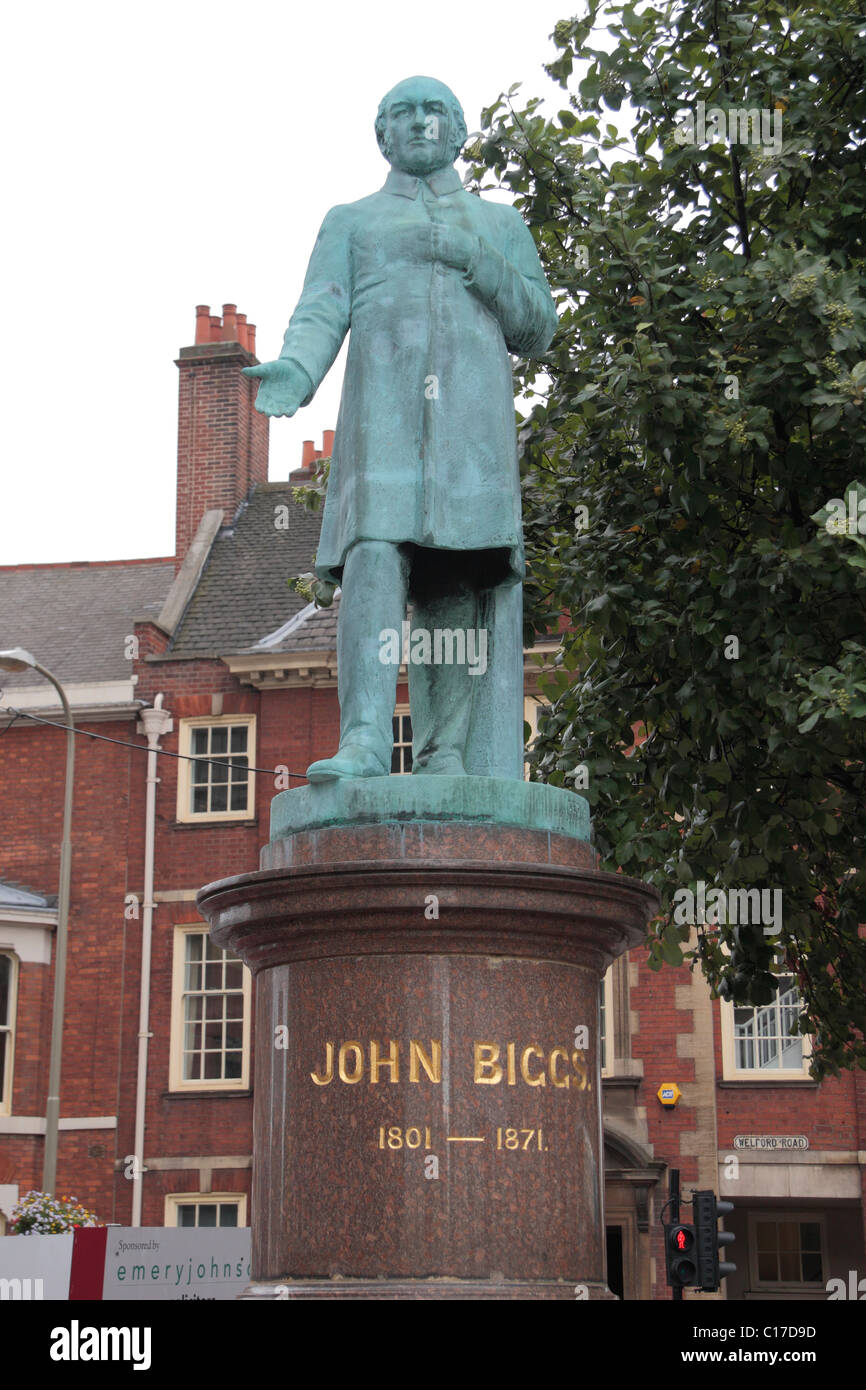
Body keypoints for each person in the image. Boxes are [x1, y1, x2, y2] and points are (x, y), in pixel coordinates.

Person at [244, 75, 557, 782]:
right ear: (382, 133)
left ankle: (445, 753)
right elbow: (322, 307)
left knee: (455, 579)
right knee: (374, 557)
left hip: (471, 437)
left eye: (435, 112)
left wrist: (477, 261)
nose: (420, 124)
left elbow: (538, 328)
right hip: (381, 429)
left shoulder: (499, 225)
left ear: (459, 131)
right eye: (403, 114)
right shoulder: (352, 221)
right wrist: (296, 369)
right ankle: (363, 740)